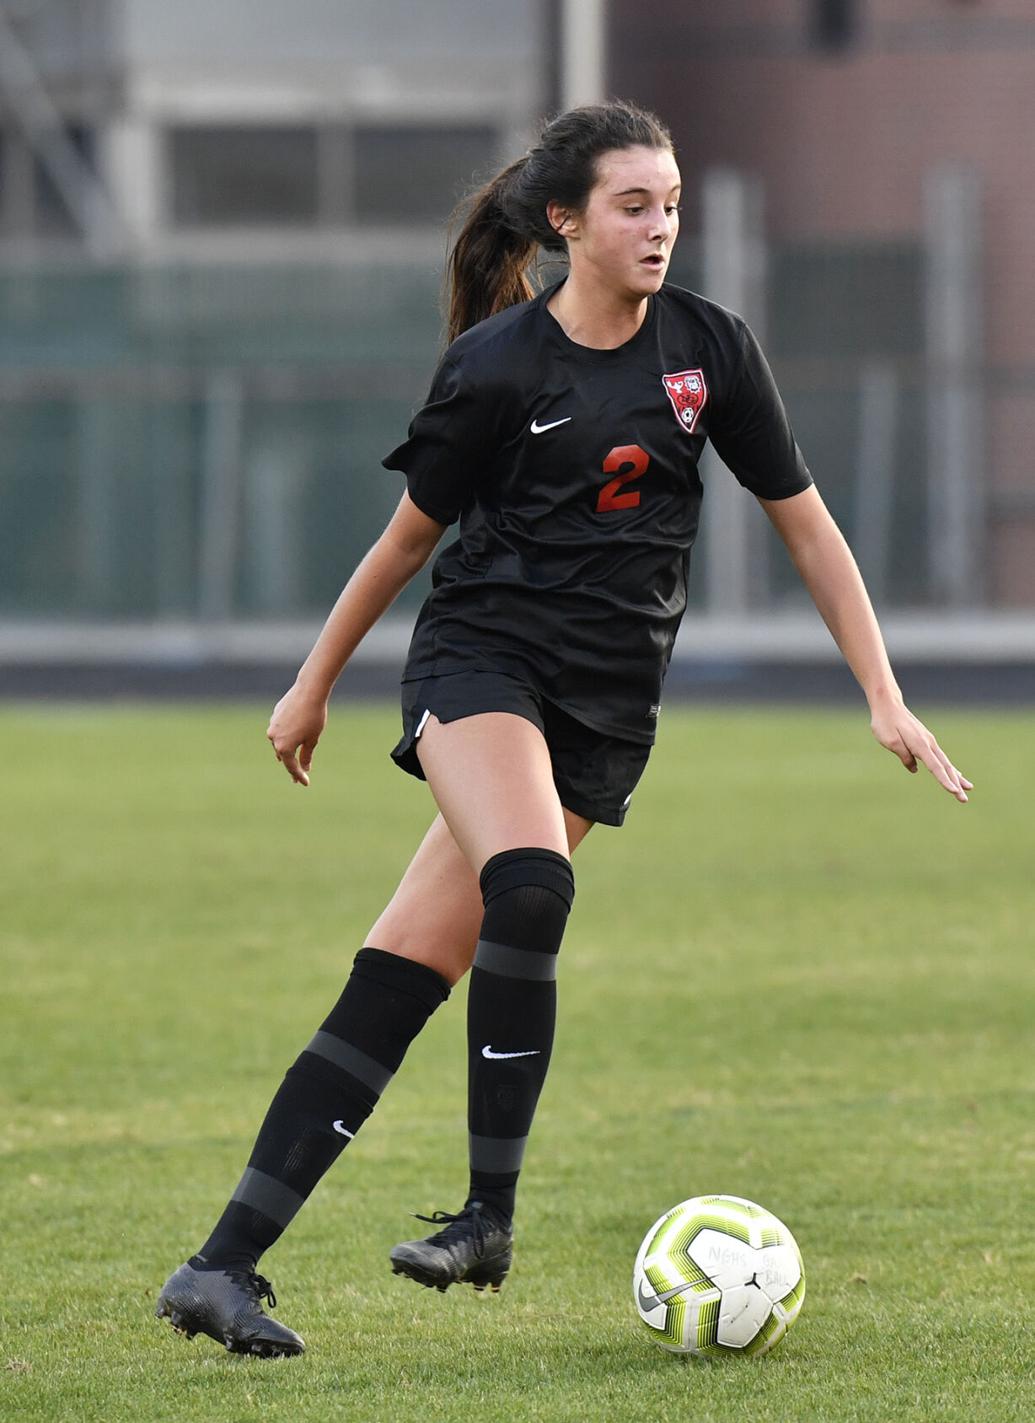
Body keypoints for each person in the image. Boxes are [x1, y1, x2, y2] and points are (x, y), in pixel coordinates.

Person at [155, 100, 971, 1358]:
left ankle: (217, 1268)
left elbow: (806, 524)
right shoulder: (497, 367)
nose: (660, 227)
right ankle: (488, 1216)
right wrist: (310, 685)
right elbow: (405, 545)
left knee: (401, 976)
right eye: (633, 205)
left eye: (672, 205)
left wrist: (884, 690)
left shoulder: (711, 348)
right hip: (481, 664)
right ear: (566, 222)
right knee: (530, 884)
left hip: (606, 707)